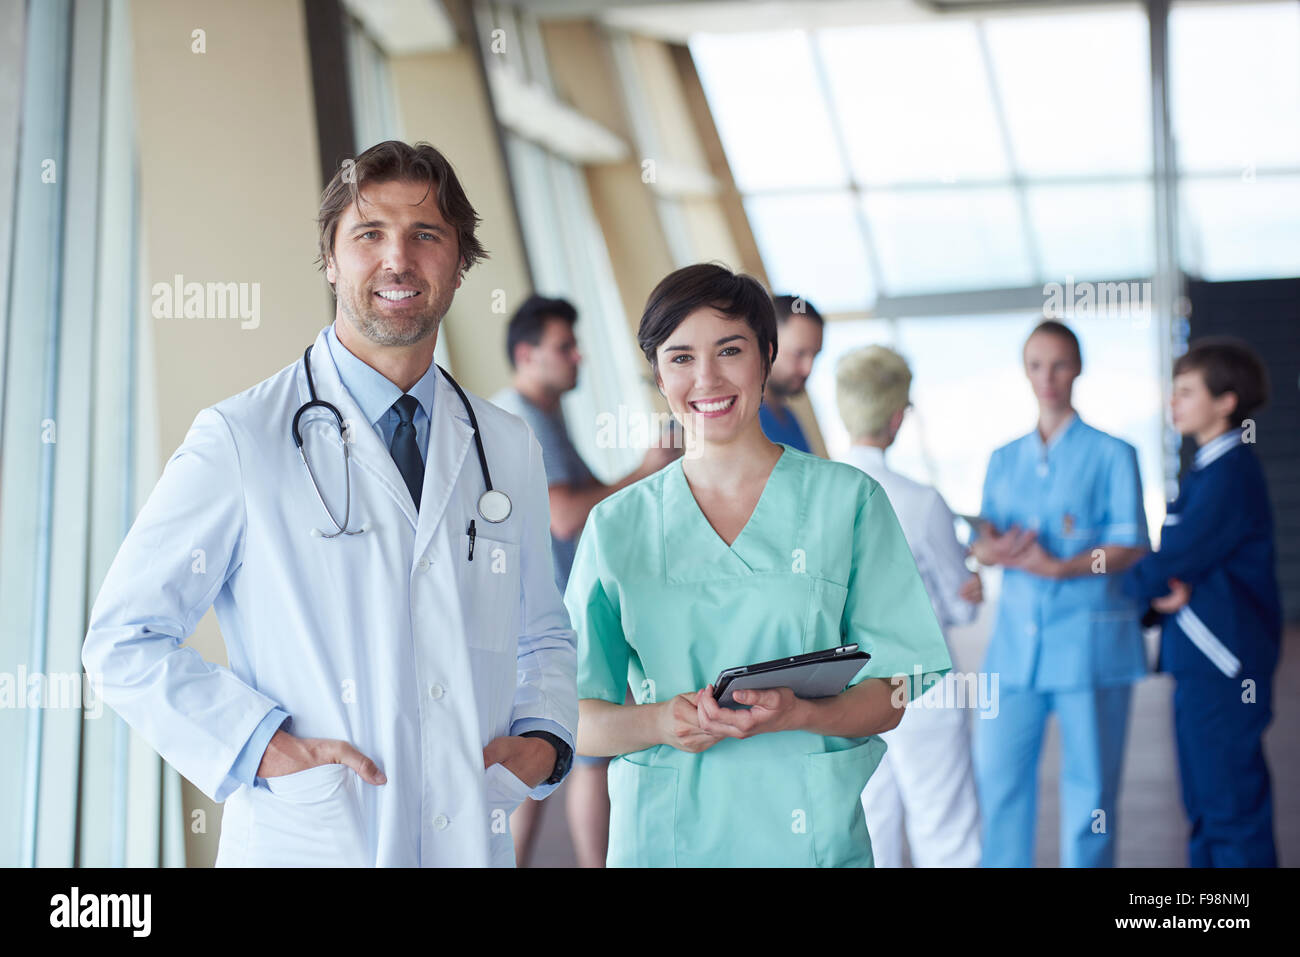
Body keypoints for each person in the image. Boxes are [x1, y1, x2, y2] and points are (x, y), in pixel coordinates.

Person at [81, 140, 577, 868]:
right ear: (330, 258)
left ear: (459, 261)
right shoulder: (242, 438)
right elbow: (123, 638)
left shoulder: (505, 444)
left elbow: (543, 632)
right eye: (369, 234)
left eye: (426, 235)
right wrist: (264, 746)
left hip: (470, 836)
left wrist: (540, 744)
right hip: (312, 840)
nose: (398, 260)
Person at [566, 263, 952, 867]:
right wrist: (659, 723)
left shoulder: (847, 503)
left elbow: (896, 690)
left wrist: (804, 713)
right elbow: (575, 718)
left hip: (808, 840)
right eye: (680, 357)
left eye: (729, 350)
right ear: (657, 373)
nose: (707, 378)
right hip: (666, 840)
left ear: (766, 356)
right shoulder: (616, 527)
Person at [491, 294, 679, 868]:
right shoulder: (522, 418)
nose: (578, 356)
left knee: (539, 759)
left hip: (545, 620)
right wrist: (647, 470)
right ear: (527, 354)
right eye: (564, 346)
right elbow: (567, 514)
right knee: (587, 752)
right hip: (546, 623)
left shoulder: (542, 417)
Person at [971, 320, 1148, 868]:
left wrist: (1064, 567)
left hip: (1087, 648)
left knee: (1089, 793)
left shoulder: (1113, 454)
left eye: (1059, 364)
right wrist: (989, 552)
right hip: (1012, 656)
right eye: (1035, 365)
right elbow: (983, 543)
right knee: (997, 783)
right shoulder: (1003, 458)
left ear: (1078, 369)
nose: (1047, 377)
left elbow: (1130, 545)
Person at [1121, 338, 1281, 867]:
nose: (1174, 403)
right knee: (1206, 806)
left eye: (1187, 392)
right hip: (1200, 666)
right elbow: (1181, 568)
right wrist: (1169, 585)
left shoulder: (1230, 474)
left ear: (1226, 401)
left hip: (1222, 667)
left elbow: (1176, 559)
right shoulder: (1207, 471)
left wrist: (1121, 582)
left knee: (1230, 808)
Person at [836, 345, 983, 868]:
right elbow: (959, 608)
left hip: (847, 686)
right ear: (897, 416)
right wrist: (971, 587)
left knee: (870, 831)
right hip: (922, 683)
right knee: (945, 829)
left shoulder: (815, 498)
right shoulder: (922, 501)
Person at [756, 294, 823, 453]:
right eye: (799, 353)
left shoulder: (789, 418)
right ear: (766, 345)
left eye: (815, 355)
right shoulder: (743, 422)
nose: (808, 369)